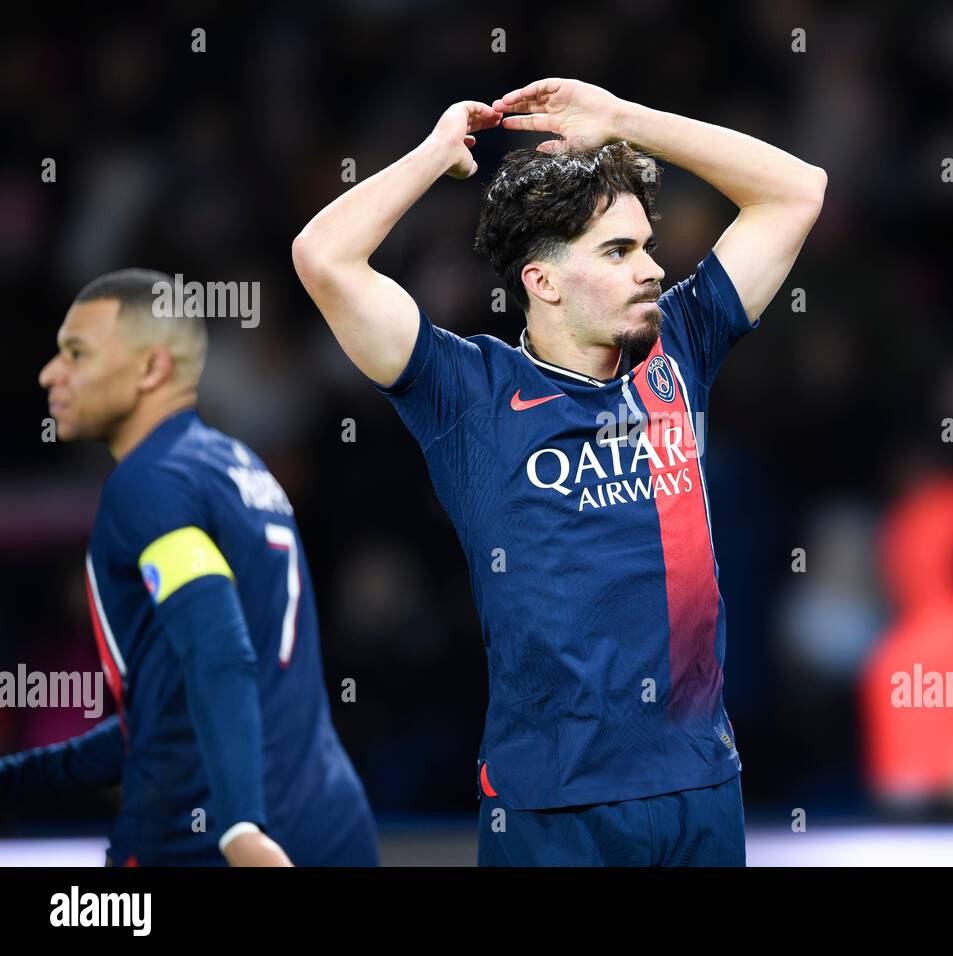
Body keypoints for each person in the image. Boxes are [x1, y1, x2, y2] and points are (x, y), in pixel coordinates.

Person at [293, 77, 825, 866]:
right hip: (551, 807)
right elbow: (322, 256)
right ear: (541, 282)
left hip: (701, 785)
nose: (651, 269)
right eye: (618, 251)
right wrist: (434, 154)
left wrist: (623, 121)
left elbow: (797, 190)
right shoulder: (465, 392)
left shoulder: (682, 343)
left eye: (646, 246)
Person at [1, 269, 379, 866]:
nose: (51, 373)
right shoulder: (237, 466)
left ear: (150, 369)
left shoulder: (150, 482)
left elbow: (217, 651)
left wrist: (240, 827)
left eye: (76, 353)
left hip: (206, 840)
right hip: (330, 822)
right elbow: (171, 716)